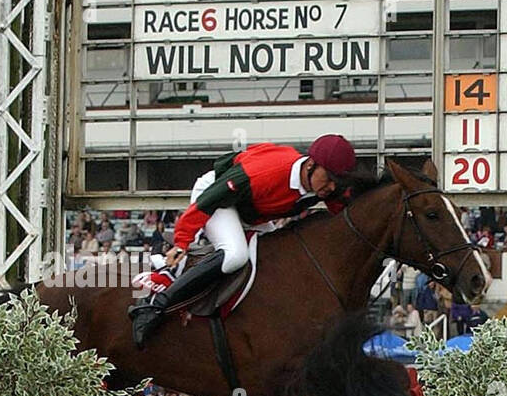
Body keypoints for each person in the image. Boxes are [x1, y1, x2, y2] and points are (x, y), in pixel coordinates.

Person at [129, 134, 358, 347]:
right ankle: (155, 306)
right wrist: (182, 242)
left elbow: (347, 211)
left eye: (336, 183)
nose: (331, 188)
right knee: (235, 256)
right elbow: (208, 201)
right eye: (329, 179)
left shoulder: (320, 183)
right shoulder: (265, 173)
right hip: (216, 198)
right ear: (311, 165)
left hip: (250, 211)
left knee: (276, 258)